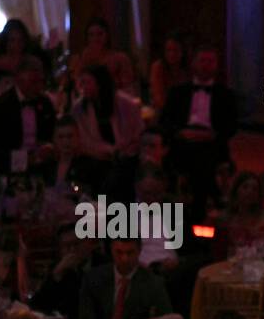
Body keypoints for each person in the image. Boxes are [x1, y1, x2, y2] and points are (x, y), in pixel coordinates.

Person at [159, 44, 237, 219]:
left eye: (210, 61)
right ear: (193, 64)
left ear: (216, 65)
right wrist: (181, 133)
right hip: (183, 141)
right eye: (202, 61)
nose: (206, 65)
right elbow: (165, 121)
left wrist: (212, 135)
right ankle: (208, 200)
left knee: (203, 154)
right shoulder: (177, 92)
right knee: (195, 155)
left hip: (212, 142)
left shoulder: (226, 95)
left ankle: (193, 211)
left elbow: (232, 126)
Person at [78, 235, 174, 319]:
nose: (125, 259)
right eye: (119, 252)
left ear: (139, 251)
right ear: (111, 250)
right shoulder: (93, 279)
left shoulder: (153, 284)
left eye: (130, 253)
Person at [29, 224, 96, 319]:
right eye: (66, 246)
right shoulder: (60, 269)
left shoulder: (102, 265)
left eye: (76, 244)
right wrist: (57, 275)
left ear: (88, 243)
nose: (72, 250)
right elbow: (37, 305)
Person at [0, 56, 56, 175]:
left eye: (41, 82)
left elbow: (51, 134)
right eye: (33, 82)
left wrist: (48, 147)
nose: (38, 88)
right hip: (10, 171)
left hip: (42, 169)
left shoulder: (45, 103)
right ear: (18, 79)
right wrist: (26, 159)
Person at [72, 63, 143, 165]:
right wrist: (109, 150)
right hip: (94, 160)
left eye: (86, 82)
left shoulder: (125, 104)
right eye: (81, 83)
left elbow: (138, 133)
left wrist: (125, 151)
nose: (82, 87)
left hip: (127, 158)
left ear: (99, 83)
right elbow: (82, 141)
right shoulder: (78, 109)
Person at [212, 171, 264, 258]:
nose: (250, 191)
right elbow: (218, 253)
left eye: (254, 189)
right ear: (236, 191)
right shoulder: (224, 219)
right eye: (245, 187)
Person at [35, 117, 106, 195]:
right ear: (55, 139)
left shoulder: (90, 166)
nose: (65, 141)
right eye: (61, 137)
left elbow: (100, 197)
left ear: (78, 137)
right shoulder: (47, 166)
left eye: (70, 136)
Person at [0, 18, 37, 85]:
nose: (17, 44)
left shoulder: (32, 63)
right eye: (12, 40)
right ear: (6, 41)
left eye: (20, 40)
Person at [148, 33, 189, 114]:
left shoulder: (187, 69)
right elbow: (159, 99)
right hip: (163, 114)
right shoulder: (158, 67)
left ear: (182, 51)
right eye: (168, 50)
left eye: (175, 50)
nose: (172, 54)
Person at [68, 17, 114, 81]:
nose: (95, 39)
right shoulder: (77, 59)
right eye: (91, 35)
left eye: (100, 34)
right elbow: (74, 82)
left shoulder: (119, 58)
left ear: (107, 35)